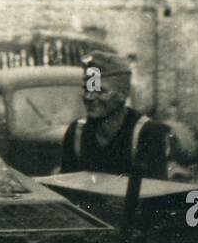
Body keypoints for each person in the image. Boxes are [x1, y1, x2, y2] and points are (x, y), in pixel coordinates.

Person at [61, 51, 169, 180]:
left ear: (123, 94)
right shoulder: (76, 132)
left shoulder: (146, 133)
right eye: (86, 89)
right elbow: (66, 188)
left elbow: (155, 193)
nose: (89, 97)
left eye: (100, 91)